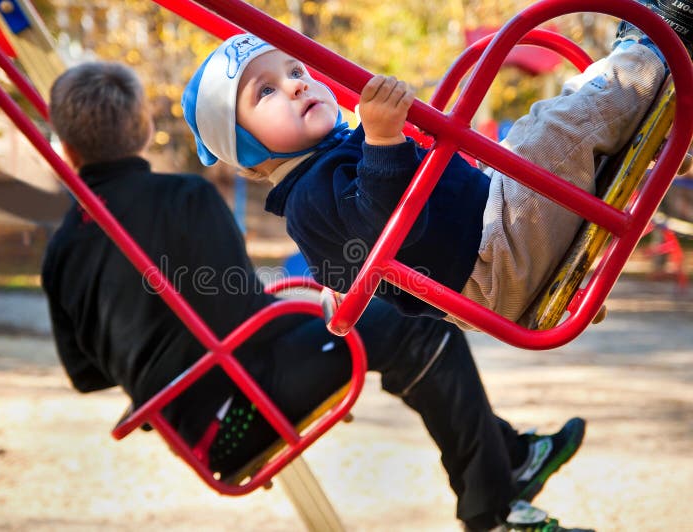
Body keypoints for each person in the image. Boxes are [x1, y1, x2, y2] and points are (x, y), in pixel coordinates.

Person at [43, 62, 588, 531]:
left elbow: (86, 376)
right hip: (244, 399)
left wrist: (148, 354)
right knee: (413, 326)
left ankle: (508, 460)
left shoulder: (61, 248)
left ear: (65, 146)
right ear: (141, 128)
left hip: (197, 428)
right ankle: (491, 505)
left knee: (371, 322)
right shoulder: (182, 196)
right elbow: (239, 315)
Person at [181, 1, 688, 326]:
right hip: (491, 265)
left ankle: (664, 123)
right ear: (249, 156)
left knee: (549, 123)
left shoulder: (332, 161)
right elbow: (376, 237)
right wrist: (382, 138)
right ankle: (659, 43)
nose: (295, 83)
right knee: (550, 132)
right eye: (265, 91)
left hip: (494, 233)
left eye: (295, 69)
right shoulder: (308, 202)